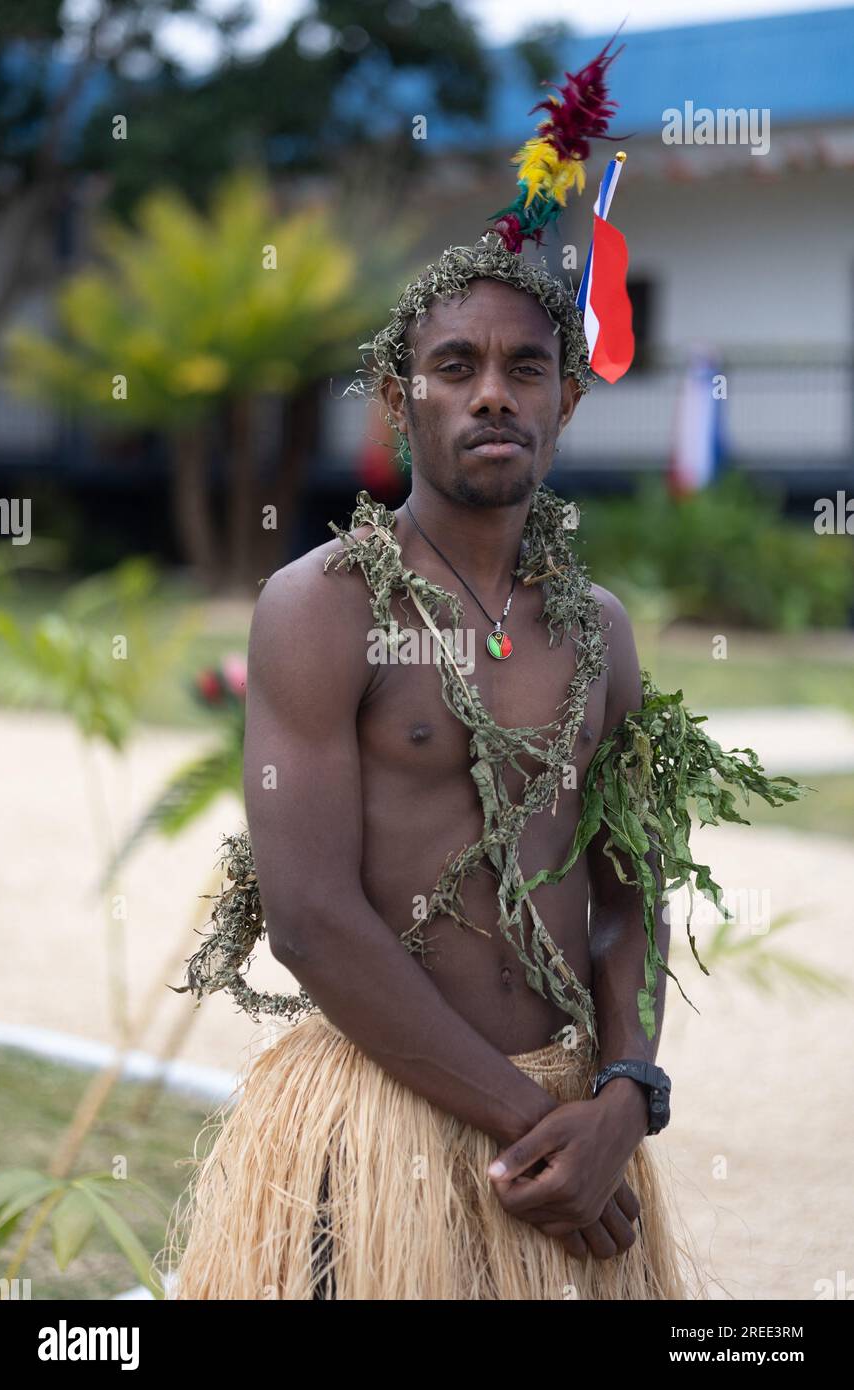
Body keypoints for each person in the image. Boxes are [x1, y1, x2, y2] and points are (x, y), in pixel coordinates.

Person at [163, 44, 805, 1303]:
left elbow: (628, 894)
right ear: (401, 404)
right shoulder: (320, 608)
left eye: (524, 369)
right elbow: (309, 917)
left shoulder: (600, 631)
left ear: (566, 404)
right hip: (386, 1133)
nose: (491, 394)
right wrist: (530, 1122)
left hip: (574, 1120)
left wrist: (625, 1091)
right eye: (455, 367)